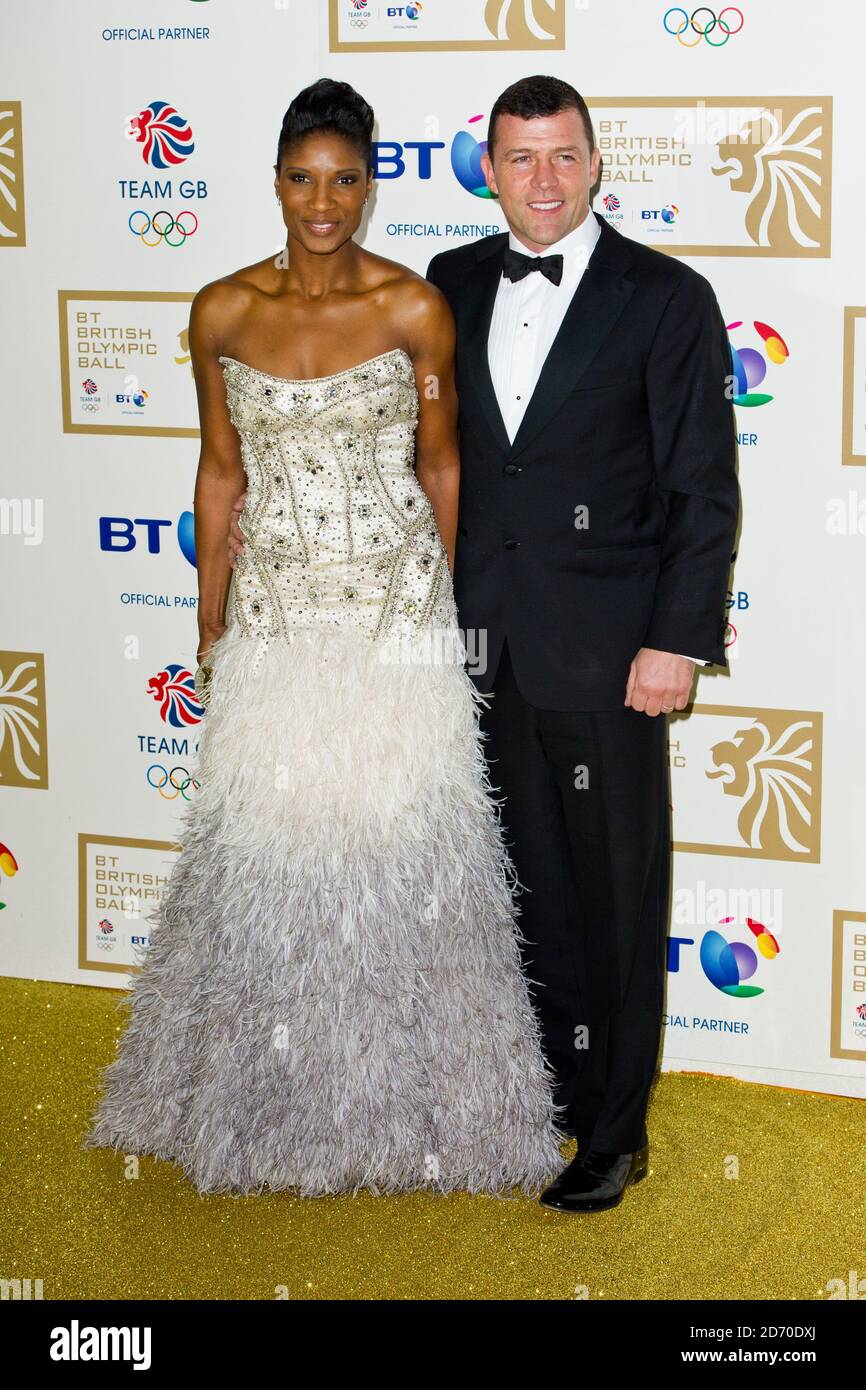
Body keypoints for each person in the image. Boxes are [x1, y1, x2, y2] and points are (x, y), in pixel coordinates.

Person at [82, 78, 564, 1198]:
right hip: (277, 616)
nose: (322, 201)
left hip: (395, 612)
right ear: (275, 182)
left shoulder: (413, 310)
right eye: (303, 178)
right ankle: (267, 1108)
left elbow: (440, 463)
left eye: (344, 179)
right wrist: (208, 608)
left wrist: (435, 605)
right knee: (272, 863)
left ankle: (424, 1115)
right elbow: (219, 467)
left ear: (369, 185)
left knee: (408, 862)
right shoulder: (220, 311)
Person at [426, 76, 740, 1212]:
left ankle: (615, 1129)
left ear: (596, 163)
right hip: (478, 651)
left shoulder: (664, 296)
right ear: (490, 169)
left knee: (613, 893)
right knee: (529, 891)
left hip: (611, 654)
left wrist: (674, 641)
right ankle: (552, 1092)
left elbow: (700, 489)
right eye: (519, 158)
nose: (543, 180)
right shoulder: (448, 284)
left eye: (563, 156)